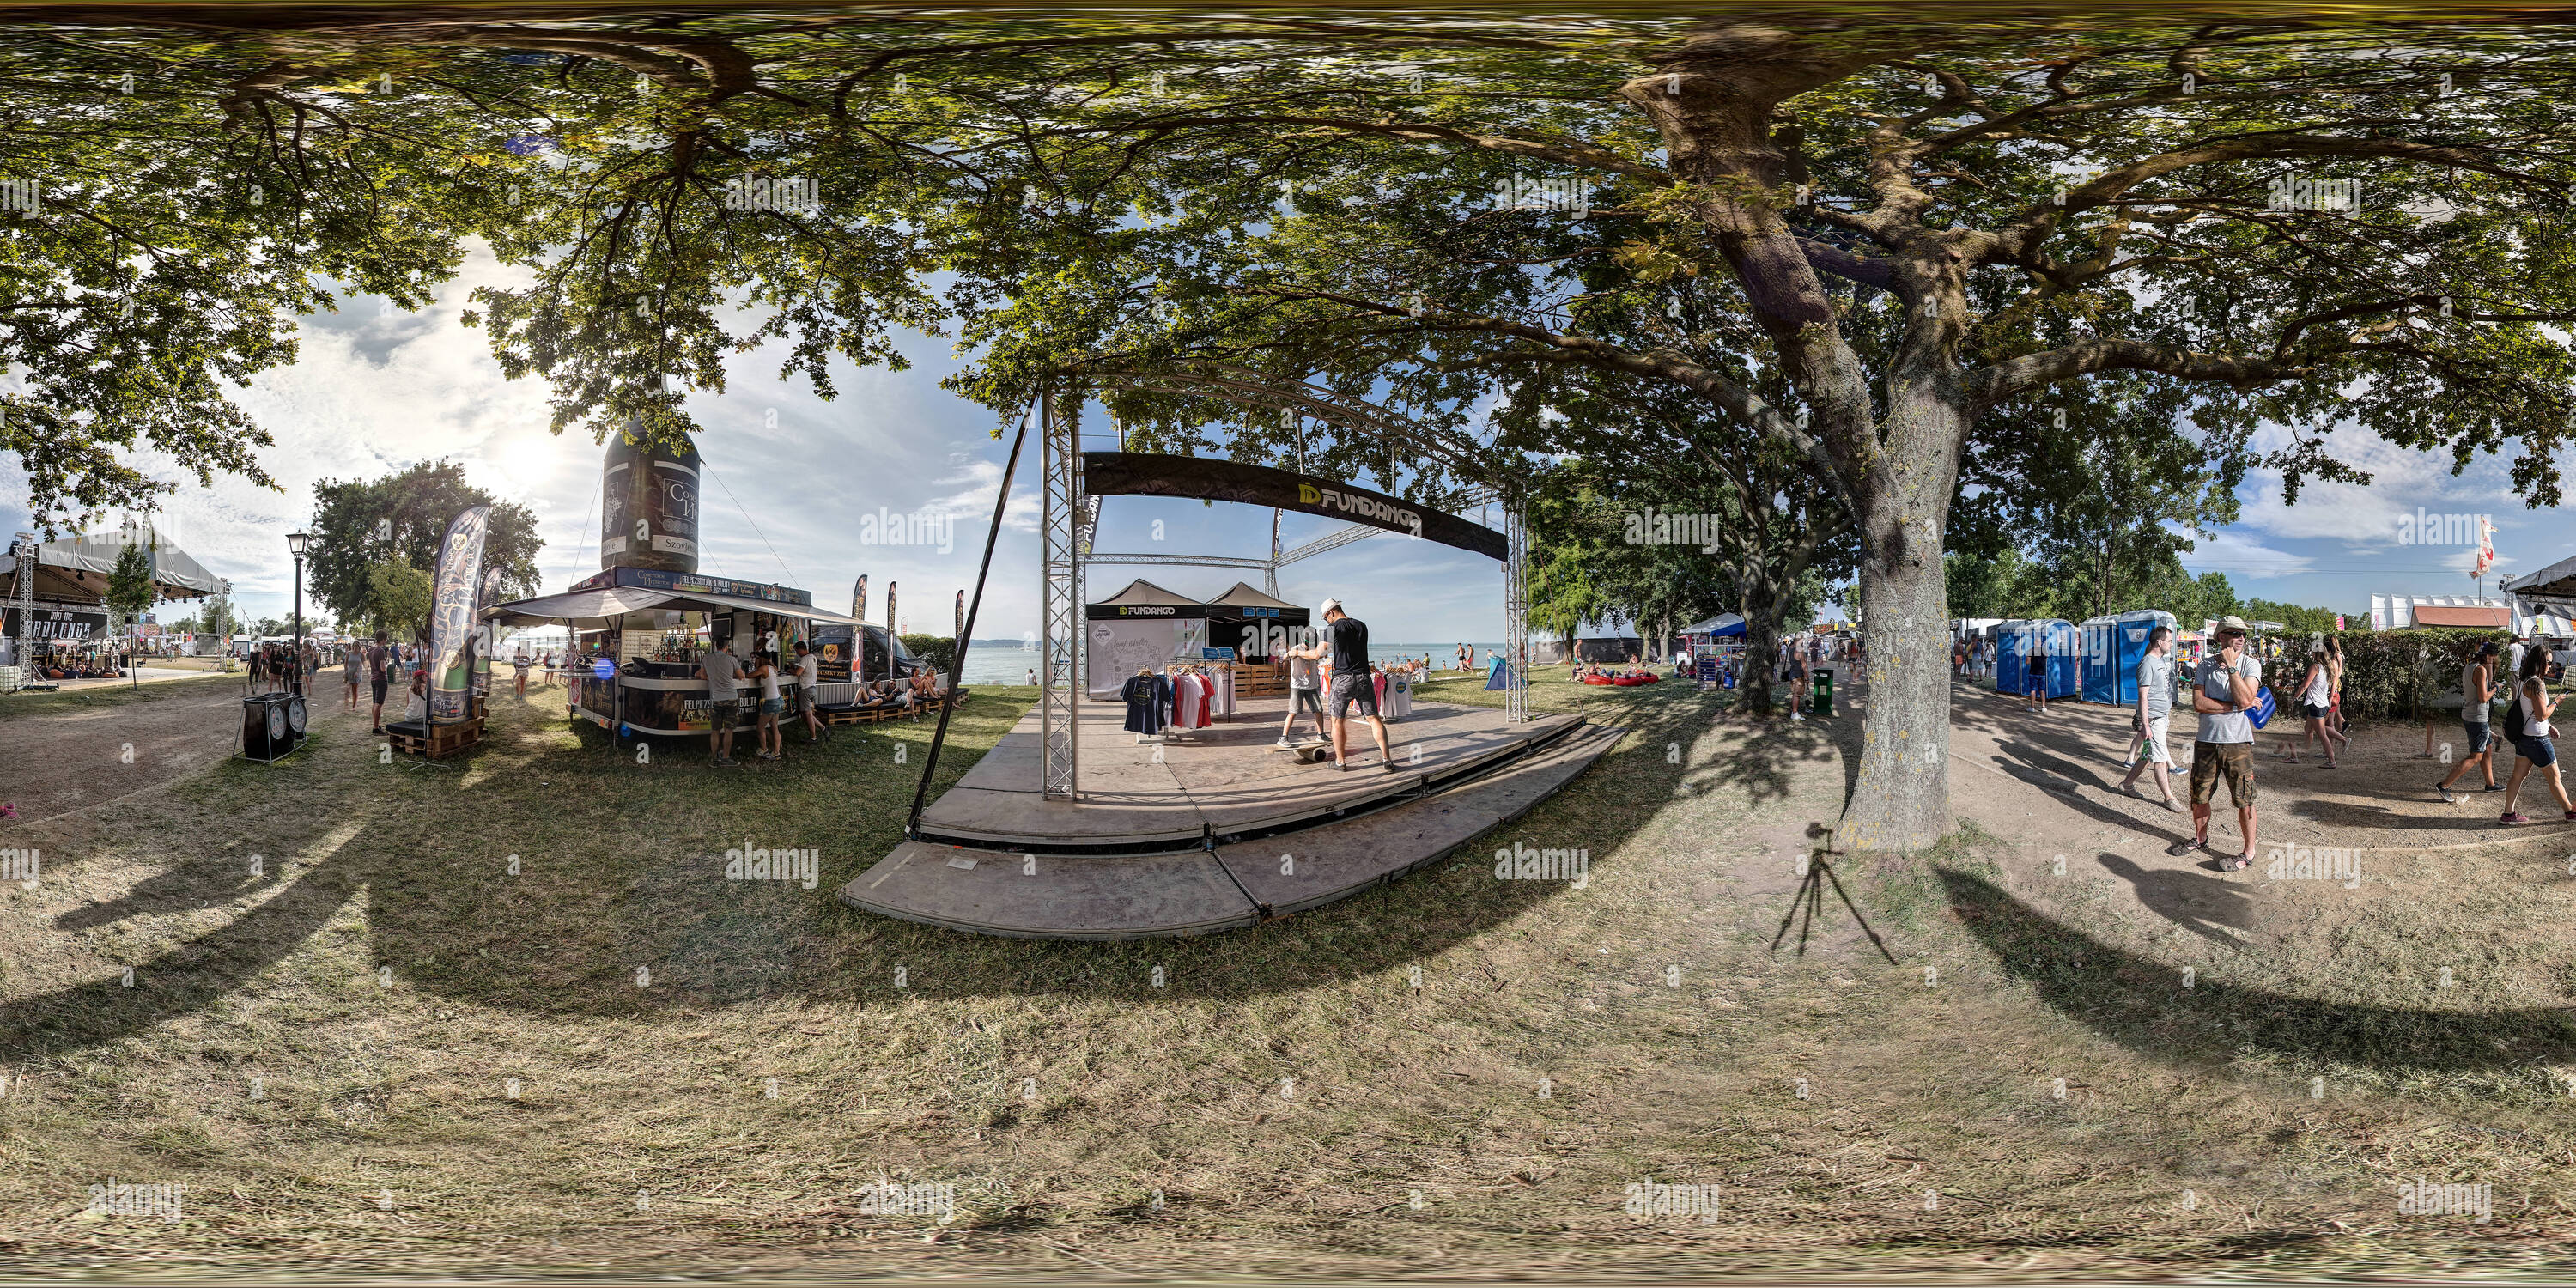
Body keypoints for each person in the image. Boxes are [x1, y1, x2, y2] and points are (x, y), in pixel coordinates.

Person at [2174, 617, 2262, 870]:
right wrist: (2235, 706)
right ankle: (2201, 839)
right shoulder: (2205, 666)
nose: (2241, 638)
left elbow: (2247, 698)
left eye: (2243, 634)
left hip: (2238, 743)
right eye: (2235, 633)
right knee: (2199, 796)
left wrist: (2232, 667)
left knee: (2244, 799)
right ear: (2221, 637)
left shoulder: (2250, 664)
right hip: (2206, 742)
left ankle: (2248, 852)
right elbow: (2199, 704)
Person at [2500, 645, 2575, 823]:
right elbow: (2541, 715)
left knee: (2518, 776)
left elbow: (2530, 711)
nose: (2550, 666)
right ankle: (2570, 813)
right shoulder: (2536, 684)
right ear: (2539, 662)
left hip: (2524, 738)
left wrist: (2549, 726)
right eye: (2548, 662)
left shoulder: (2524, 681)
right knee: (2554, 778)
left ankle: (2508, 814)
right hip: (2537, 740)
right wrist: (2557, 702)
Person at [1319, 598, 1394, 771]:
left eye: (1325, 617)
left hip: (1343, 679)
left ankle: (1340, 762)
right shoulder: (1361, 625)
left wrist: (1298, 652)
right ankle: (1387, 760)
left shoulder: (1332, 628)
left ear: (1331, 612)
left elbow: (1319, 653)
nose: (1327, 621)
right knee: (1374, 719)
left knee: (1337, 721)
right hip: (1363, 677)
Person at [2120, 626, 2182, 811]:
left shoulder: (2160, 660)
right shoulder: (2147, 663)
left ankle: (2127, 783)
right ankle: (2169, 797)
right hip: (2153, 722)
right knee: (2160, 759)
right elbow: (2143, 696)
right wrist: (2145, 725)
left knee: (2147, 755)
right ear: (2159, 642)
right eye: (2169, 641)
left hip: (2161, 718)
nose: (2172, 644)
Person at [2437, 641, 2505, 803]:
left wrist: (2491, 685)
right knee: (2476, 756)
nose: (2494, 659)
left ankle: (2490, 784)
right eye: (2493, 656)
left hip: (2469, 714)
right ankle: (2444, 785)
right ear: (2487, 655)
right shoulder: (2481, 670)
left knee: (2487, 749)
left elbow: (2476, 689)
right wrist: (2496, 689)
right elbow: (2483, 698)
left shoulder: (2469, 667)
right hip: (2477, 718)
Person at [2289, 646, 2345, 767]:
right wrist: (2330, 696)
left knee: (2322, 734)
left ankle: (2332, 761)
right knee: (2308, 729)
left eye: (2312, 652)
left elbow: (2304, 686)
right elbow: (2334, 682)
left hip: (2316, 705)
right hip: (2322, 703)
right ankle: (2296, 754)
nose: (2311, 654)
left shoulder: (2315, 667)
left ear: (2316, 654)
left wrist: (2294, 698)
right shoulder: (2328, 667)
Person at [695, 635, 745, 768]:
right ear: (727, 647)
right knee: (729, 730)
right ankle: (726, 758)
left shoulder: (707, 658)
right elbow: (742, 677)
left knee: (715, 730)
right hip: (731, 698)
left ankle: (714, 759)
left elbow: (701, 675)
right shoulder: (731, 659)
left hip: (715, 699)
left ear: (716, 645)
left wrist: (712, 678)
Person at [1276, 628, 1328, 749]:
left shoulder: (1315, 650)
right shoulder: (1296, 648)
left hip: (1311, 685)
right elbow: (1283, 658)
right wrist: (1288, 654)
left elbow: (1321, 656)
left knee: (1318, 710)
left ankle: (1320, 734)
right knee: (1293, 712)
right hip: (1297, 685)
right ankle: (1283, 738)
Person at [750, 650, 785, 761]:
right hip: (778, 700)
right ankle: (776, 753)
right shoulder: (772, 668)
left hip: (770, 702)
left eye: (757, 657)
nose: (755, 659)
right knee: (775, 727)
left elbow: (748, 675)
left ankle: (764, 750)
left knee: (760, 727)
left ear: (761, 659)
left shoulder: (763, 668)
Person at [793, 641, 829, 744]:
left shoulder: (805, 658)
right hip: (812, 688)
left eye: (797, 651)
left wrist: (793, 670)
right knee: (806, 715)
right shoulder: (813, 657)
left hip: (805, 689)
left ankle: (813, 738)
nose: (797, 654)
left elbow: (798, 673)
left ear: (801, 649)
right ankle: (824, 729)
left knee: (808, 715)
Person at [2025, 635, 2049, 713]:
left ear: (2035, 643)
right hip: (2042, 674)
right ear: (2041, 643)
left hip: (2033, 673)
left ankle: (2032, 708)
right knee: (2042, 690)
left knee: (2033, 690)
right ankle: (2043, 707)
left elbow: (2027, 662)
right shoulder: (2045, 651)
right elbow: (2046, 660)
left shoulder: (2030, 650)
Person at [343, 641, 362, 713]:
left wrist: (358, 672)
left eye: (357, 646)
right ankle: (346, 707)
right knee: (347, 691)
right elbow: (345, 664)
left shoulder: (361, 654)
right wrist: (345, 672)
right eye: (355, 646)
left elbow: (362, 664)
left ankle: (354, 706)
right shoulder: (349, 653)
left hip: (357, 674)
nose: (356, 648)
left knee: (354, 690)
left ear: (359, 647)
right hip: (349, 673)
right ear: (353, 646)